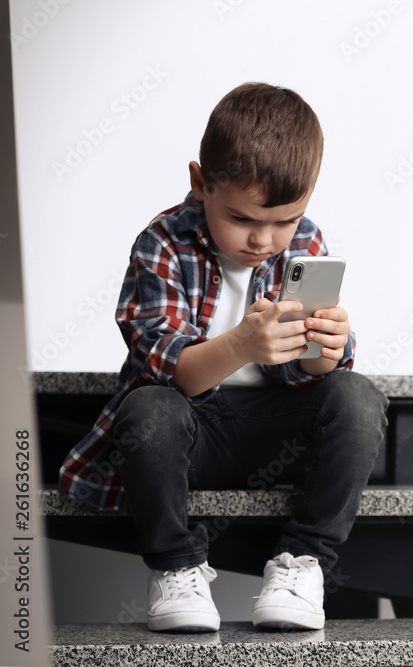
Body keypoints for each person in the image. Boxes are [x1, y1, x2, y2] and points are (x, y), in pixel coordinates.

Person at [58, 82, 388, 633]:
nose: (264, 239)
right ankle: (177, 567)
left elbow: (311, 374)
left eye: (284, 220)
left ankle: (302, 566)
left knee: (357, 397)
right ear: (199, 182)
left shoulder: (305, 242)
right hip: (194, 431)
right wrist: (241, 343)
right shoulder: (162, 243)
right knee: (148, 409)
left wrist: (325, 350)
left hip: (275, 435)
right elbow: (167, 372)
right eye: (242, 219)